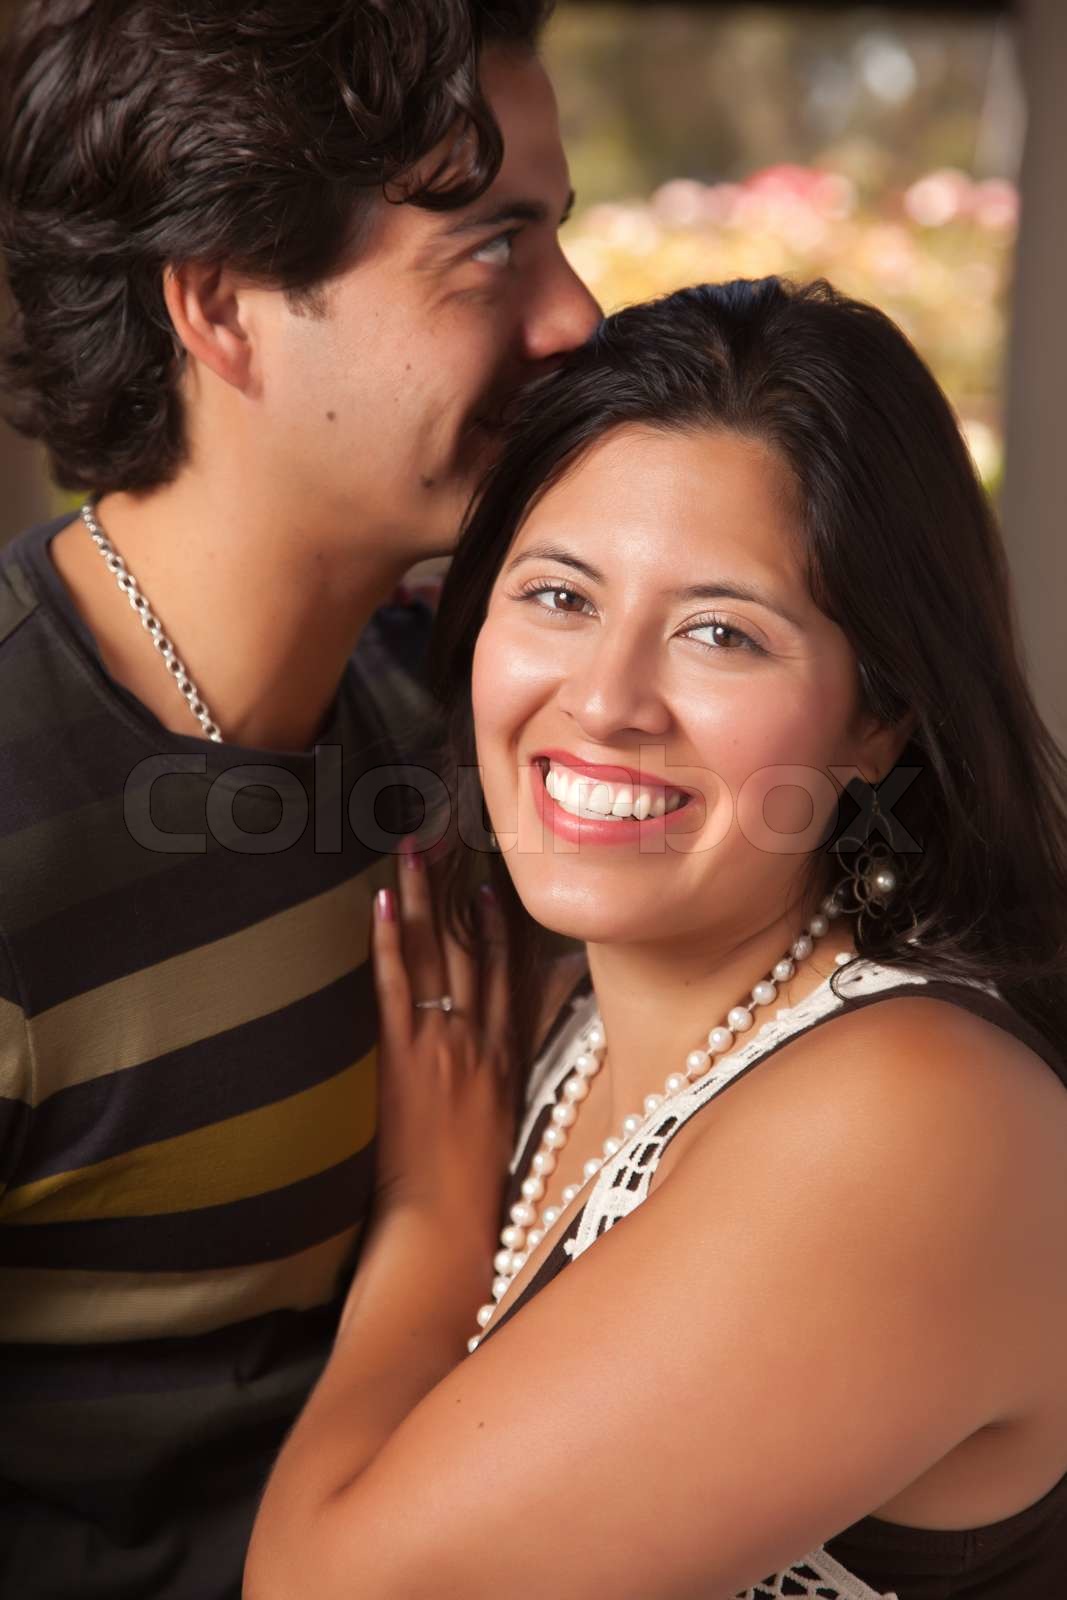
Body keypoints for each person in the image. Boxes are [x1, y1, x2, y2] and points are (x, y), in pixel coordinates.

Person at [245, 277, 1067, 1600]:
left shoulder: (920, 1121)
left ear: (880, 722)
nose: (609, 700)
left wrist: (434, 1215)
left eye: (720, 633)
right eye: (560, 598)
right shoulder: (557, 1012)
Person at [0, 1, 598, 1595]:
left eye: (562, 240)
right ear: (224, 307)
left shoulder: (443, 707)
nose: (577, 318)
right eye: (492, 246)